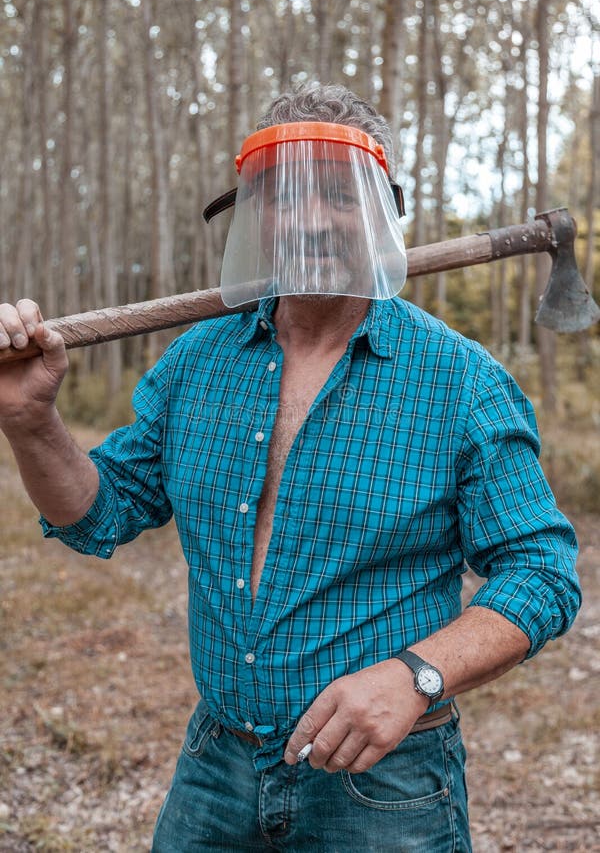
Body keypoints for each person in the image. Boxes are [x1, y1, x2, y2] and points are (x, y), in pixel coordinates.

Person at [0, 83, 580, 852]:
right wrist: (30, 420)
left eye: (336, 195)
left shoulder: (459, 382)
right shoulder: (196, 363)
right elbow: (98, 514)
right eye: (281, 193)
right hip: (216, 764)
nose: (307, 216)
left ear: (381, 210)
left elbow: (542, 572)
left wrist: (415, 677)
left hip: (383, 784)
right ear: (251, 213)